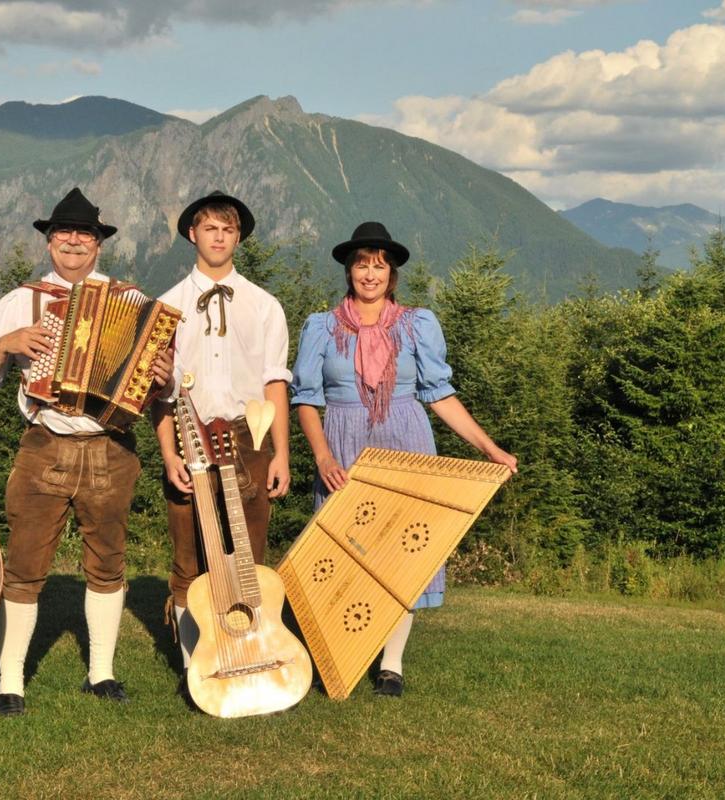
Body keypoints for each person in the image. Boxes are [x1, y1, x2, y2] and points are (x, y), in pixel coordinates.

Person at [290, 220, 517, 697]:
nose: (370, 274)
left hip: (407, 443)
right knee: (344, 552)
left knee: (403, 553)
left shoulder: (417, 324)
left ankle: (390, 665)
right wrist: (323, 456)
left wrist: (489, 448)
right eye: (361, 265)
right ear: (349, 271)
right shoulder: (321, 327)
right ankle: (339, 653)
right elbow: (306, 400)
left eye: (379, 266)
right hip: (345, 448)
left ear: (391, 274)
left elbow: (439, 395)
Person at [0, 187, 173, 716]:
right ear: (49, 242)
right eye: (63, 233)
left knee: (108, 562)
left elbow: (161, 383)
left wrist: (163, 376)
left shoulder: (130, 300)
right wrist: (5, 344)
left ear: (98, 244)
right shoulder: (21, 301)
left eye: (84, 234)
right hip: (45, 442)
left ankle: (101, 674)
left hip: (111, 446)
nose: (73, 241)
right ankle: (10, 683)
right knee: (24, 562)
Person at [152, 191, 292, 682]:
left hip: (248, 435)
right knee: (188, 554)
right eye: (209, 228)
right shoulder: (166, 305)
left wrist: (280, 454)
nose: (218, 237)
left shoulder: (264, 306)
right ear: (192, 234)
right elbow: (157, 392)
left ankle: (249, 655)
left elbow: (275, 383)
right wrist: (168, 453)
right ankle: (195, 664)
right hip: (187, 434)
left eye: (227, 230)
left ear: (238, 238)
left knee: (248, 554)